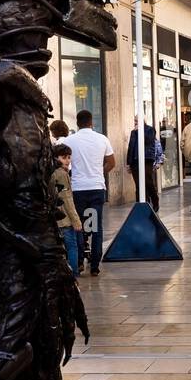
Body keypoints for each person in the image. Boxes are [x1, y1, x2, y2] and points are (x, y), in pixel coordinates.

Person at [66, 109, 115, 275]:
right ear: (91, 122)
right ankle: (94, 265)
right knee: (96, 227)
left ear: (78, 123)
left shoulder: (69, 141)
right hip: (96, 188)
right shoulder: (102, 139)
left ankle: (79, 261)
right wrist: (99, 172)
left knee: (78, 225)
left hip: (78, 189)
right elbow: (111, 162)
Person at [51, 143, 82, 275]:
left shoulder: (52, 172)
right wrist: (76, 221)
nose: (68, 161)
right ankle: (73, 274)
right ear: (56, 158)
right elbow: (67, 199)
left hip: (54, 218)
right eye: (64, 157)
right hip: (64, 219)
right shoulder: (62, 174)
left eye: (69, 157)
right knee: (72, 247)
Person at [126, 117, 161, 212]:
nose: (135, 122)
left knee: (148, 181)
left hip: (146, 159)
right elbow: (131, 146)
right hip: (135, 161)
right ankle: (141, 205)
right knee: (138, 184)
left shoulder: (150, 129)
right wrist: (128, 163)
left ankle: (155, 200)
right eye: (134, 121)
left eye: (137, 121)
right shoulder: (133, 132)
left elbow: (148, 140)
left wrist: (140, 131)